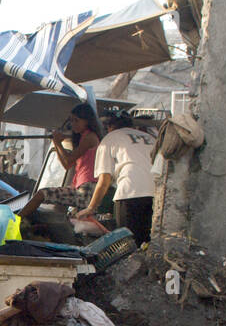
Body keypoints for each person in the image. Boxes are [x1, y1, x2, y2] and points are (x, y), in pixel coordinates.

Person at [17, 103, 107, 232]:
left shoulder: (90, 137)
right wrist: (58, 143)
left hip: (86, 189)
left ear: (87, 121)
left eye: (77, 120)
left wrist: (57, 143)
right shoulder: (84, 137)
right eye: (72, 120)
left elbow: (67, 163)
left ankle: (14, 221)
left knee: (41, 194)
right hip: (80, 186)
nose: (73, 124)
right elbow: (67, 163)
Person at [83, 110, 157, 245]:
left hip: (130, 193)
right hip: (156, 194)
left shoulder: (109, 139)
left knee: (128, 244)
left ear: (109, 127)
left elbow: (104, 181)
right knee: (148, 243)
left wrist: (91, 208)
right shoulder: (150, 138)